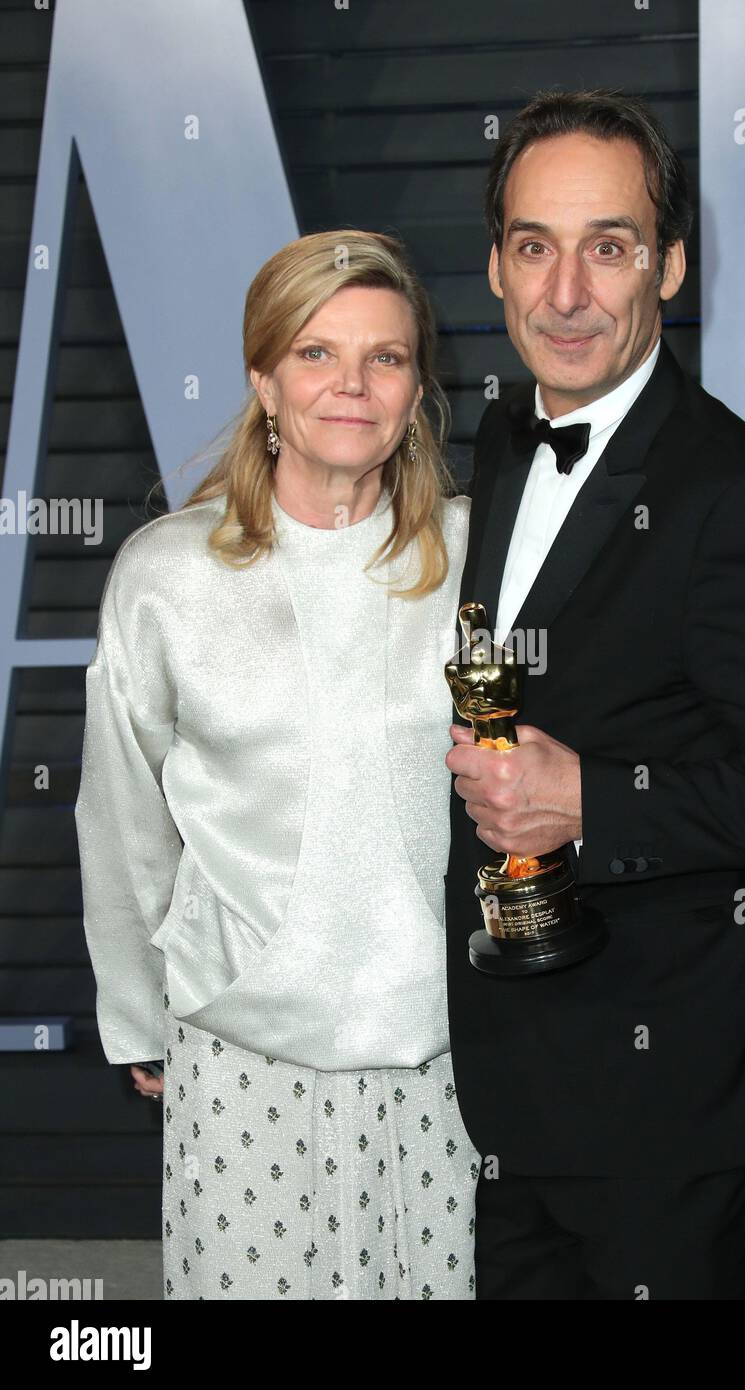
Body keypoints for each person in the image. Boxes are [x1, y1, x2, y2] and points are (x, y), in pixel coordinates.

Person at [444, 89, 745, 1299]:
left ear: (670, 265)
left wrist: (590, 799)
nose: (564, 293)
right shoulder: (489, 448)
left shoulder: (736, 493)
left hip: (675, 1115)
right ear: (493, 265)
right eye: (533, 246)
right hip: (507, 1087)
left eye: (608, 246)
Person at [75, 229, 480, 1300]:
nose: (351, 383)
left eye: (384, 358)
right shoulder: (166, 574)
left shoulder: (473, 558)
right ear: (263, 378)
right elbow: (119, 813)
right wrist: (134, 1007)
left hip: (440, 1046)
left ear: (414, 389)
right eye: (315, 353)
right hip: (239, 1040)